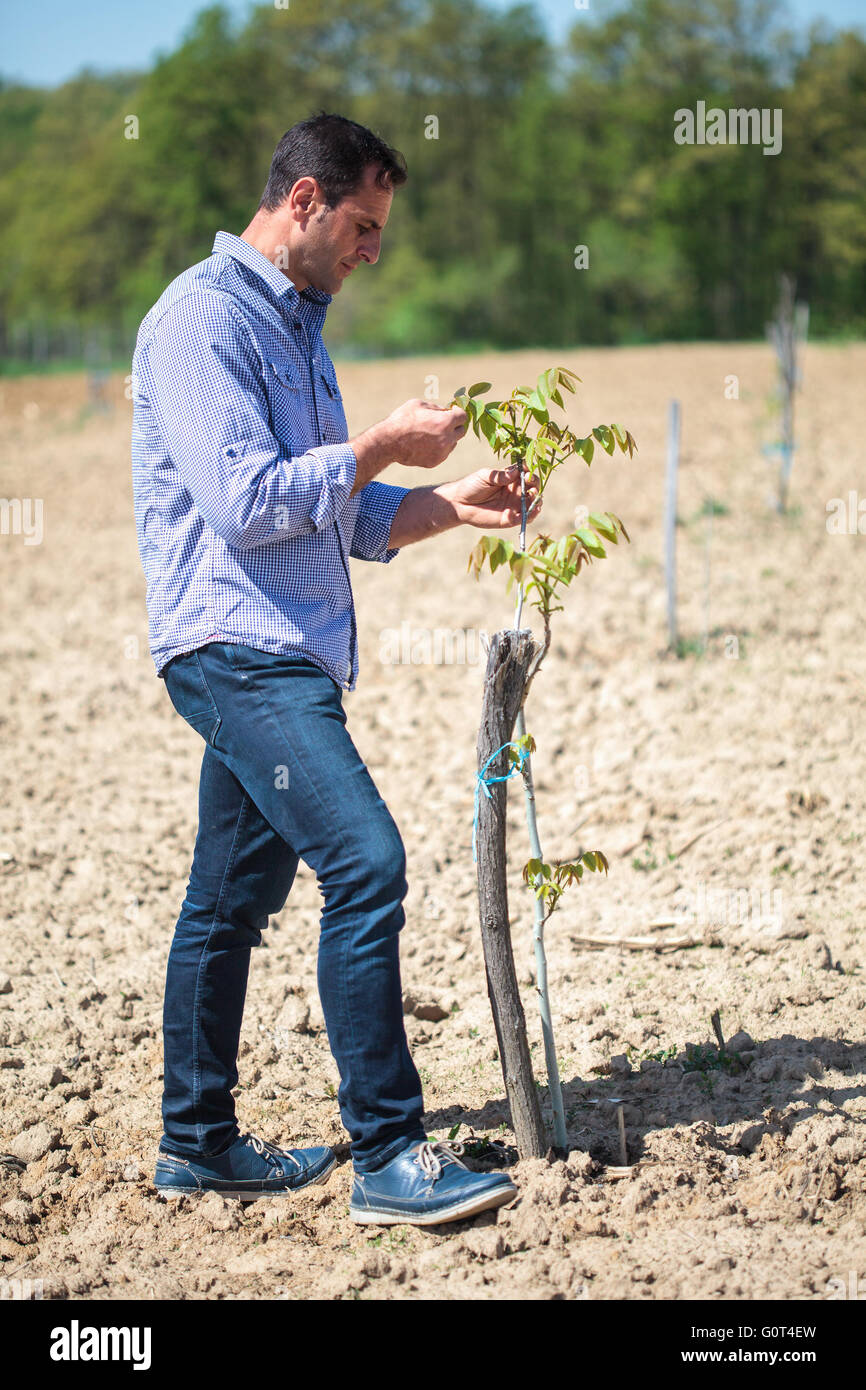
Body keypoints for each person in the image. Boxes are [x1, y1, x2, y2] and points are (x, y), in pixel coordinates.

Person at [131, 111, 541, 1226]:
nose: (373, 251)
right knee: (366, 862)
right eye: (362, 225)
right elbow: (250, 500)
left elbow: (338, 514)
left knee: (229, 899)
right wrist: (379, 444)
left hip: (288, 653)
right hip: (234, 650)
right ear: (302, 200)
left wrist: (450, 504)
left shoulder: (299, 326)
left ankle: (198, 1142)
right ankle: (387, 1156)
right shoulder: (201, 320)